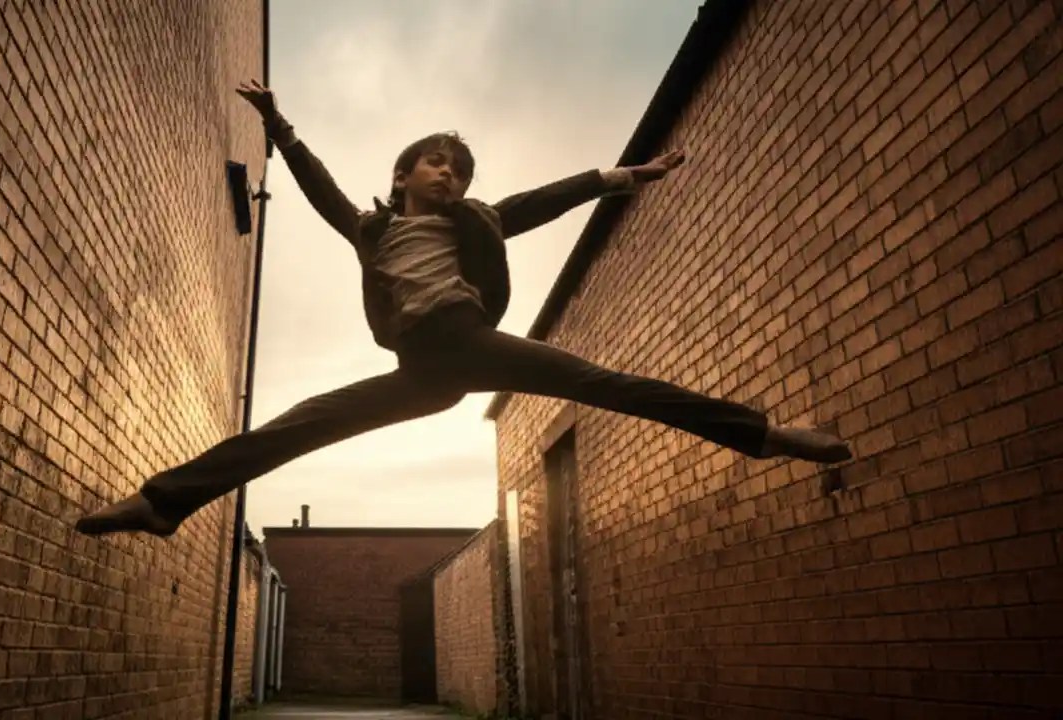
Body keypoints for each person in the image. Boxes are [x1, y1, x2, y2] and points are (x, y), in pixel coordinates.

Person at [75, 79, 852, 538]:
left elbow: (540, 202)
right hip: (423, 369)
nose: (449, 174)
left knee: (607, 385)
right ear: (404, 173)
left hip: (472, 341)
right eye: (436, 163)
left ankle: (763, 435)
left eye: (459, 169)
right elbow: (319, 189)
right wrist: (278, 126)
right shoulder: (372, 230)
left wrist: (621, 178)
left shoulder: (475, 221)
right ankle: (162, 503)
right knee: (299, 424)